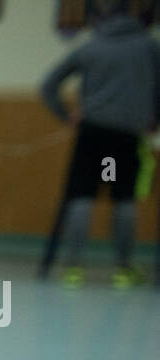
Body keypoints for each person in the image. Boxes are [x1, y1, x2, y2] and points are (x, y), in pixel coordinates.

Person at [40, 0, 160, 288]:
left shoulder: (91, 46)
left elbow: (48, 86)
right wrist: (152, 119)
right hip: (127, 135)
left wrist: (67, 115)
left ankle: (73, 269)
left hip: (92, 133)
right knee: (123, 197)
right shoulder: (148, 47)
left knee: (82, 195)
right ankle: (123, 269)